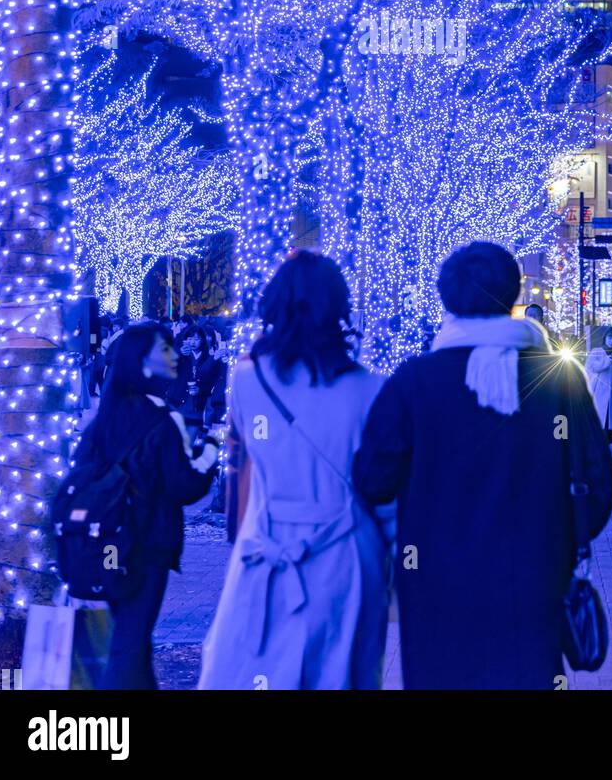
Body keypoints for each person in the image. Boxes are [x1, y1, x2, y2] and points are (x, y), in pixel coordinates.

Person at [353, 241, 612, 691]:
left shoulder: (416, 383)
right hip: (533, 578)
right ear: (512, 292)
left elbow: (371, 480)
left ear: (446, 298)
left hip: (436, 581)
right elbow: (600, 481)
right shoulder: (557, 380)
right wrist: (558, 540)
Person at [199, 252, 390, 691]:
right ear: (338, 309)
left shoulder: (247, 381)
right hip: (347, 555)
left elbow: (245, 467)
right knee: (338, 670)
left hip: (268, 548)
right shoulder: (370, 389)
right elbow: (383, 491)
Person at [70, 323, 220, 689]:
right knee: (130, 643)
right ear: (142, 361)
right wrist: (210, 451)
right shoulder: (161, 420)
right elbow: (185, 485)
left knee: (129, 635)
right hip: (144, 545)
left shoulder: (103, 420)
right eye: (164, 349)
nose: (175, 355)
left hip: (104, 544)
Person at [167, 324, 223, 431]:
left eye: (196, 339)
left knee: (190, 441)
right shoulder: (181, 354)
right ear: (185, 340)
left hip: (197, 407)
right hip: (179, 404)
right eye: (190, 338)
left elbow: (212, 381)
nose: (193, 342)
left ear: (202, 340)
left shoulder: (208, 357)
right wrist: (178, 354)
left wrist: (201, 389)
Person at [585, 327, 612, 442]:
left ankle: (606, 449)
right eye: (610, 338)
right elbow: (592, 367)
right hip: (598, 393)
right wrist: (608, 361)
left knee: (610, 425)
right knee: (598, 422)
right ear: (605, 338)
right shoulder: (596, 351)